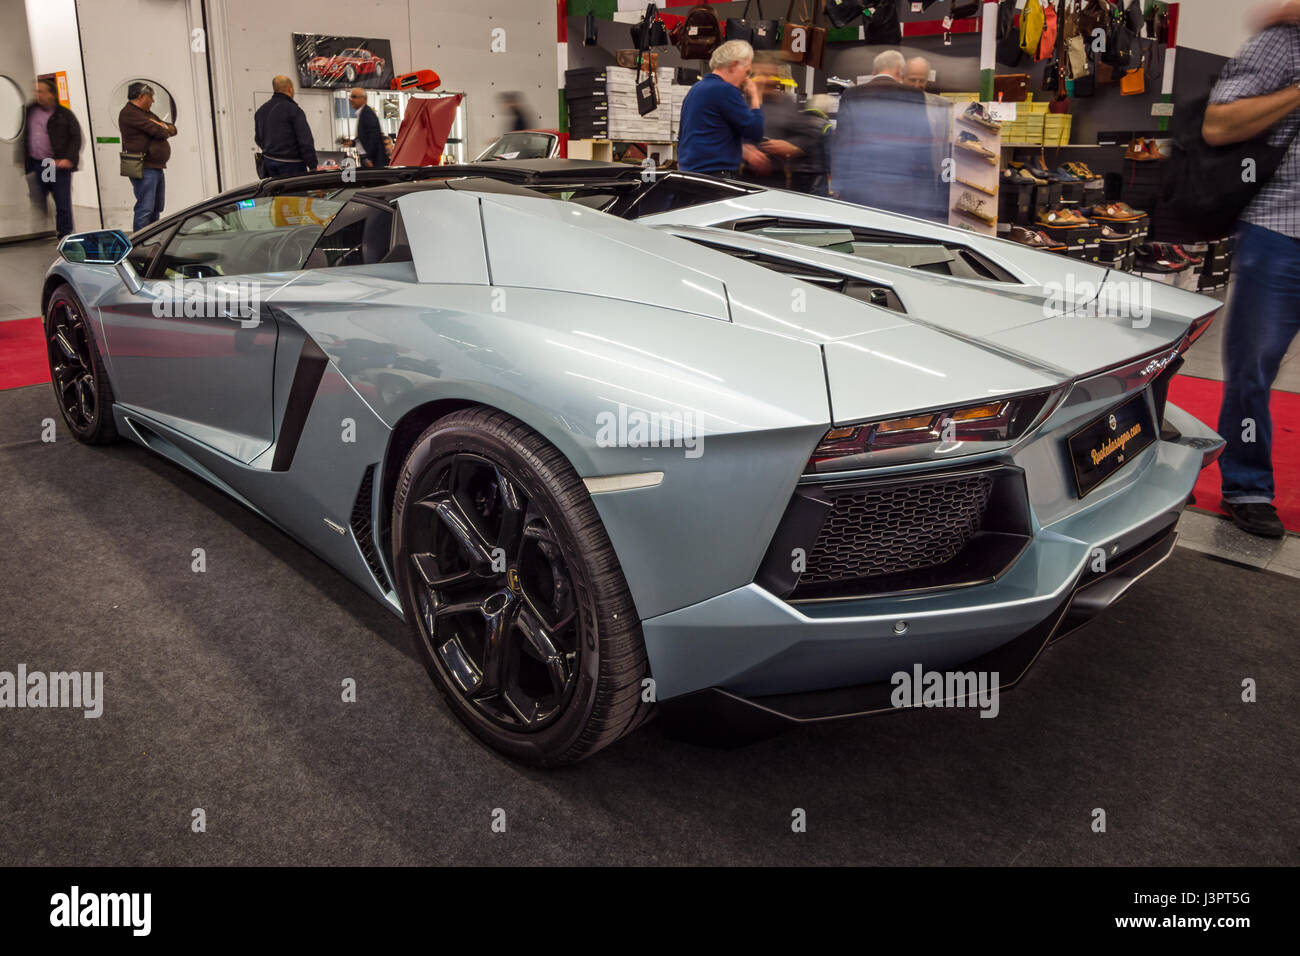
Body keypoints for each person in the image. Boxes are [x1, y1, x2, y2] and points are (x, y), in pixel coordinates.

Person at [1200, 17, 1300, 537]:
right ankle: (1248, 485)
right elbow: (1218, 124)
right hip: (1282, 232)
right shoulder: (1284, 44)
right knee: (1253, 368)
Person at [831, 50, 941, 220]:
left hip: (859, 189)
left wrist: (838, 186)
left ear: (874, 71)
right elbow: (924, 145)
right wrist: (928, 189)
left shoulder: (851, 95)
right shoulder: (914, 95)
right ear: (899, 72)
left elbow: (841, 144)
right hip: (903, 190)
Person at [677, 39, 764, 176]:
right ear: (734, 65)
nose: (746, 79)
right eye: (746, 72)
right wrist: (755, 96)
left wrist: (740, 149)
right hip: (715, 176)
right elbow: (755, 131)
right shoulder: (725, 90)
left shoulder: (696, 89)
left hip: (690, 173)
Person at [741, 58, 827, 193]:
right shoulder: (741, 103)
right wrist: (745, 151)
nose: (768, 79)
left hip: (778, 178)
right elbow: (726, 136)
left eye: (772, 75)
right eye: (763, 74)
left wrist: (790, 146)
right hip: (744, 177)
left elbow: (806, 138)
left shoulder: (787, 102)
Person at [21, 77, 81, 239]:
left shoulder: (64, 114)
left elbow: (76, 138)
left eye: (41, 91)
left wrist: (68, 158)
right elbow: (23, 136)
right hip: (36, 163)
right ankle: (42, 228)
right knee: (39, 196)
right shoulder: (29, 111)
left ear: (52, 95)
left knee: (62, 200)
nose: (37, 94)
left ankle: (65, 235)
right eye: (36, 91)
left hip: (55, 165)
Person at [118, 82, 177, 230]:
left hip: (154, 166)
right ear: (141, 96)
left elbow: (172, 129)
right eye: (151, 97)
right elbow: (161, 132)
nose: (153, 101)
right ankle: (140, 243)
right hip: (143, 166)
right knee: (145, 208)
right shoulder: (130, 113)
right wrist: (163, 127)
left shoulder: (146, 113)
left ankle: (152, 237)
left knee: (156, 207)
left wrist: (162, 126)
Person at [254, 75, 317, 177]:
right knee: (295, 193)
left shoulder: (261, 111)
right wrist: (313, 165)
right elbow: (305, 142)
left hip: (269, 164)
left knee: (276, 193)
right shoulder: (294, 110)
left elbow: (258, 139)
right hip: (293, 166)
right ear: (290, 89)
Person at [344, 87, 386, 168]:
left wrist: (370, 158)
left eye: (354, 97)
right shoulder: (362, 113)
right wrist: (353, 143)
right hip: (365, 157)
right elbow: (364, 137)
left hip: (370, 159)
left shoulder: (367, 114)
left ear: (364, 99)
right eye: (350, 97)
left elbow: (374, 137)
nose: (351, 99)